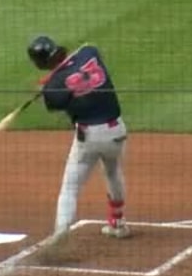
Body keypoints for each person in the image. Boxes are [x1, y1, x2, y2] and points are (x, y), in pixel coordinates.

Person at [28, 35, 131, 240]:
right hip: (117, 131)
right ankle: (117, 223)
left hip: (90, 137)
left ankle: (61, 233)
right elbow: (84, 54)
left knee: (70, 187)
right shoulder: (88, 53)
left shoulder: (53, 88)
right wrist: (55, 80)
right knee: (112, 171)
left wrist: (47, 88)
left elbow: (58, 99)